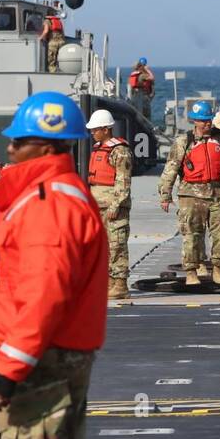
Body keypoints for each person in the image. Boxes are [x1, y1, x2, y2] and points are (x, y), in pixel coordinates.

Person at [0, 91, 108, 439]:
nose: (9, 149)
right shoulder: (48, 195)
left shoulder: (49, 204)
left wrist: (9, 368)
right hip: (42, 358)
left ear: (48, 148)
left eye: (19, 141)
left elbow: (44, 295)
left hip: (43, 366)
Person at [158, 100, 220, 285]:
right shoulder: (184, 141)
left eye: (209, 119)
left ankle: (218, 269)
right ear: (195, 121)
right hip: (191, 195)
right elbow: (171, 168)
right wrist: (165, 194)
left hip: (219, 192)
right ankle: (192, 272)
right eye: (203, 120)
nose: (207, 123)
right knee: (192, 234)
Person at [86, 109, 132, 300]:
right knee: (103, 246)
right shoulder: (98, 148)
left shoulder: (119, 151)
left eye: (95, 129)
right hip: (98, 204)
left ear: (106, 129)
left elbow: (123, 180)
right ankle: (109, 282)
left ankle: (120, 284)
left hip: (113, 206)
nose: (92, 133)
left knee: (117, 244)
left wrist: (116, 205)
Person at [42, 3, 66, 74]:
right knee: (60, 59)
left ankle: (53, 73)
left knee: (51, 60)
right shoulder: (58, 21)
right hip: (62, 42)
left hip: (53, 43)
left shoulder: (47, 21)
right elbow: (63, 33)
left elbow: (46, 31)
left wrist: (41, 38)